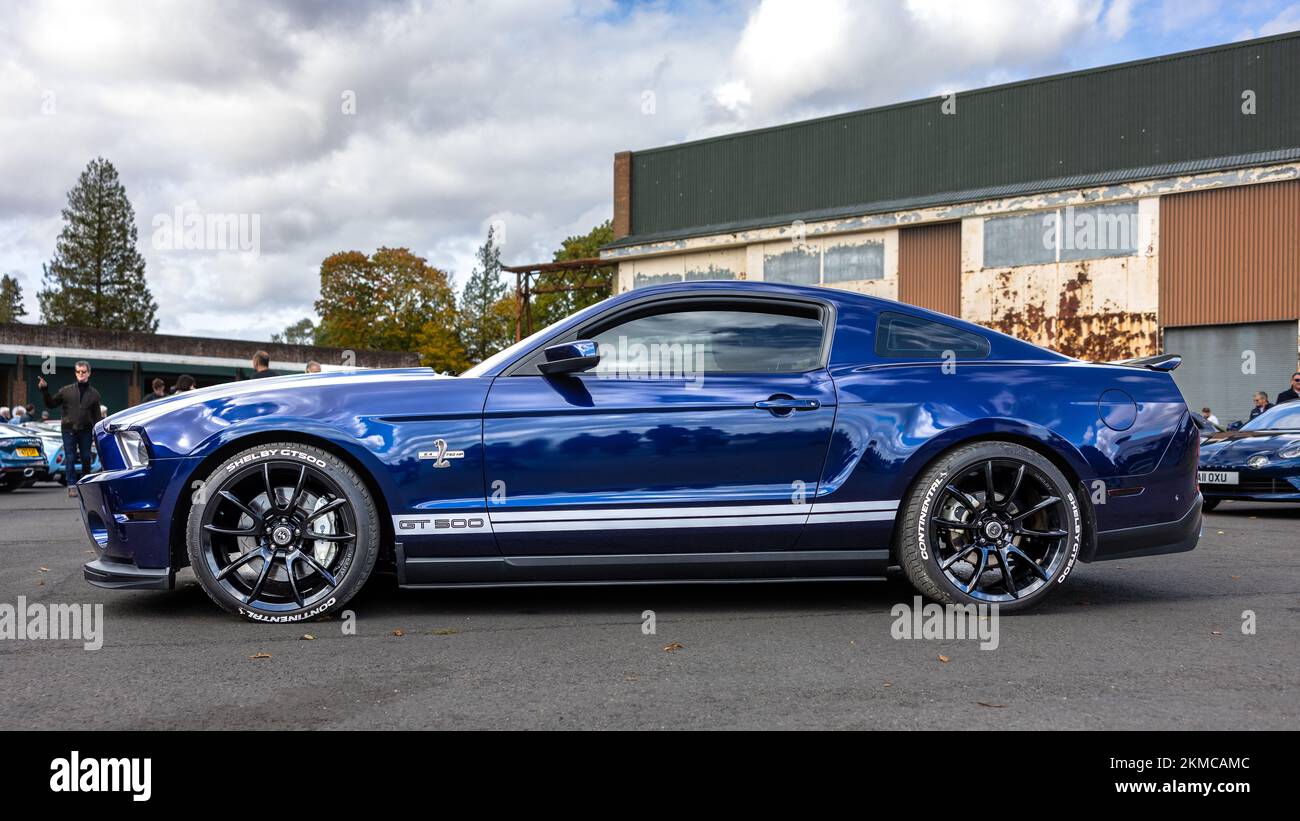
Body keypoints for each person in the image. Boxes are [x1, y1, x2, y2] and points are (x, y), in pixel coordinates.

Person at [38, 361, 103, 497]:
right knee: (70, 457)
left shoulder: (94, 394)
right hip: (68, 429)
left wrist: (98, 435)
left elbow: (97, 417)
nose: (81, 374)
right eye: (78, 371)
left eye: (83, 371)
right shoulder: (66, 390)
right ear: (75, 373)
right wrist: (44, 390)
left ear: (89, 373)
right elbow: (51, 404)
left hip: (86, 429)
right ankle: (72, 485)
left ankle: (84, 483)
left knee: (86, 457)